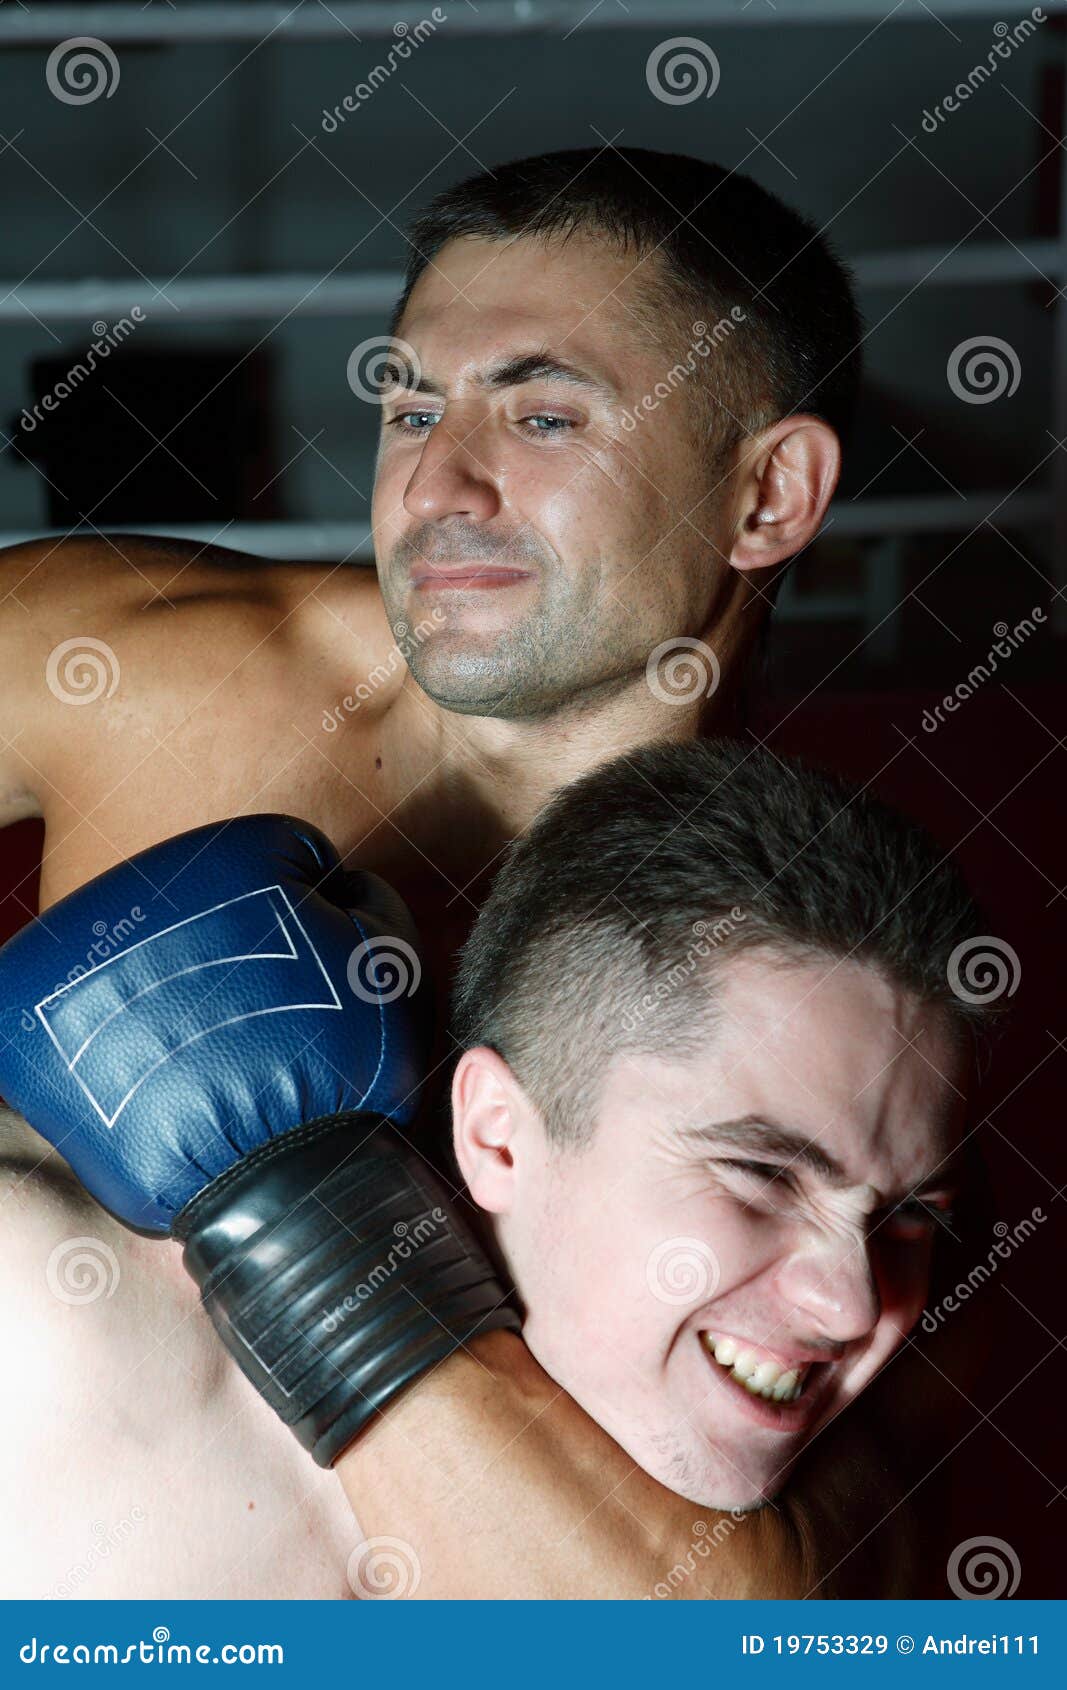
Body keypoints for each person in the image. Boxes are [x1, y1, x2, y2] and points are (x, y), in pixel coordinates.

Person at [0, 144, 861, 1597]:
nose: (435, 484)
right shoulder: (138, 669)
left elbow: (760, 1621)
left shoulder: (829, 1015)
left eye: (542, 413)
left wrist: (306, 1236)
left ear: (769, 492)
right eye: (411, 407)